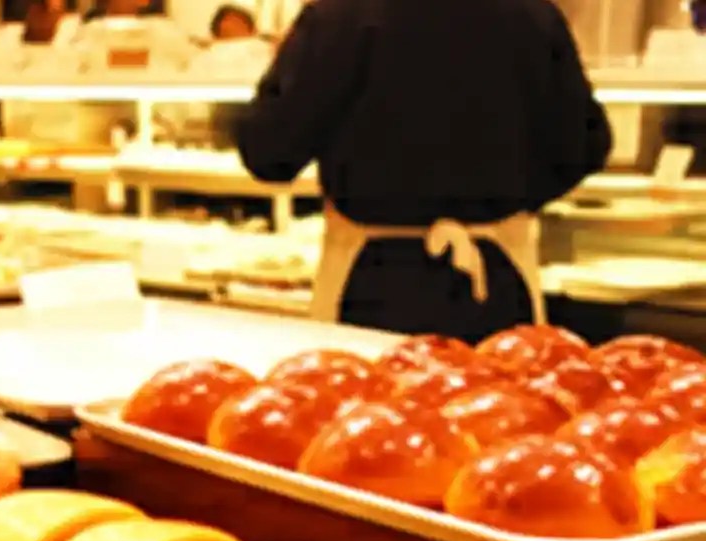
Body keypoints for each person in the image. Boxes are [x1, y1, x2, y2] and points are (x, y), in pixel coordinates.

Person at [235, 0, 612, 343]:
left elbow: (268, 152)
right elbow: (584, 147)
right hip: (497, 281)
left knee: (371, 397)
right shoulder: (532, 14)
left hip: (369, 284)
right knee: (498, 396)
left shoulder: (339, 15)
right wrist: (504, 203)